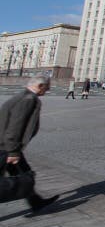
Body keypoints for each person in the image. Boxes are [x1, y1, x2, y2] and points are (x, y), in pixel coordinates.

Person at [0, 75, 59, 213]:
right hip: (6, 147)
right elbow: (15, 127)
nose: (49, 89)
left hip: (9, 145)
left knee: (24, 174)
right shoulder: (28, 99)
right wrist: (13, 151)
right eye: (47, 86)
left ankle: (35, 201)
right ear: (40, 86)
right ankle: (35, 201)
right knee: (24, 174)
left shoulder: (22, 96)